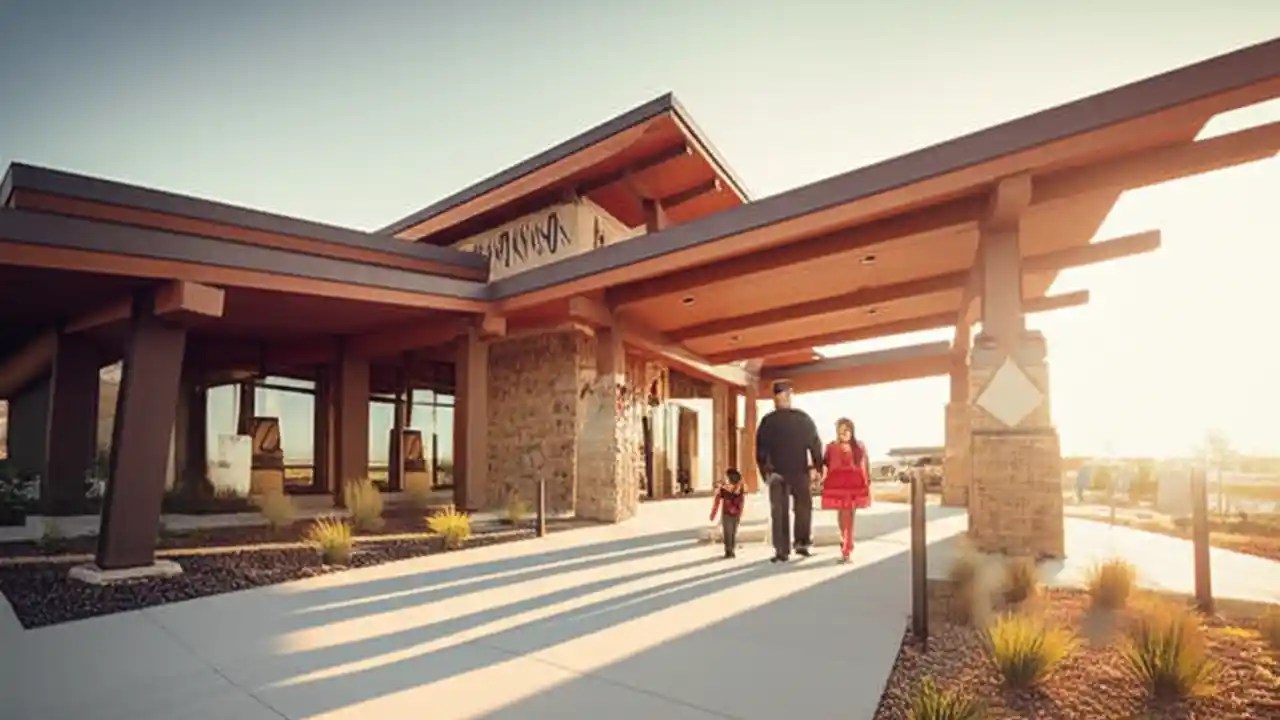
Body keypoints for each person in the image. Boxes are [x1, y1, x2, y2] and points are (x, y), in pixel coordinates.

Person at [755, 379, 824, 563]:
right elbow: (761, 450)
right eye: (781, 395)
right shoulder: (798, 418)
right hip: (786, 473)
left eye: (783, 395)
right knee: (786, 511)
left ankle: (790, 547)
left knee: (795, 509)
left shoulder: (771, 421)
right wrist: (817, 466)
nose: (782, 398)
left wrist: (817, 467)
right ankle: (790, 547)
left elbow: (814, 444)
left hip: (791, 472)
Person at [821, 418, 871, 563]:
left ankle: (847, 548)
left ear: (852, 431)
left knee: (849, 518)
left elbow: (865, 466)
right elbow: (825, 464)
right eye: (841, 430)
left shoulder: (859, 447)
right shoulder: (831, 447)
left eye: (847, 430)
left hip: (854, 487)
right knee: (841, 517)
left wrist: (867, 484)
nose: (844, 433)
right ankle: (846, 542)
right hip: (838, 487)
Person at [709, 468, 747, 559]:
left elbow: (717, 500)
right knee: (733, 532)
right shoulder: (741, 487)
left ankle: (728, 551)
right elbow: (742, 500)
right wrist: (741, 512)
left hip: (727, 512)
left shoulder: (724, 488)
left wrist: (713, 514)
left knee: (728, 533)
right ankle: (731, 550)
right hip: (736, 512)